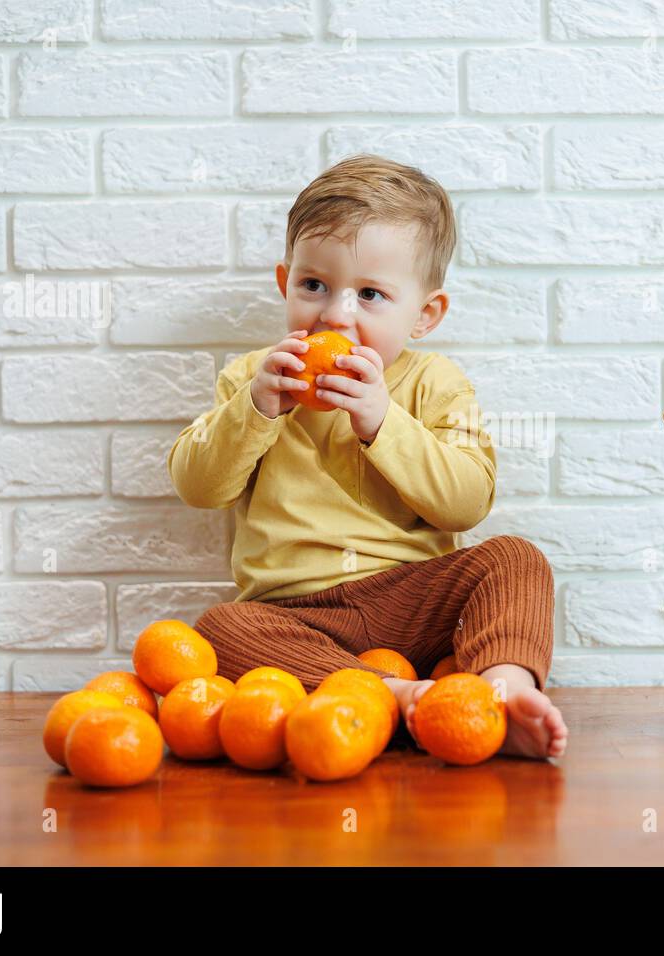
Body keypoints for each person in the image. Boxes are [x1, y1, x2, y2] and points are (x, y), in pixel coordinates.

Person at [168, 154, 567, 759]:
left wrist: (384, 420)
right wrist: (255, 410)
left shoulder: (436, 382)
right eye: (313, 286)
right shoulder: (252, 378)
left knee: (515, 558)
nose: (335, 315)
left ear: (425, 314)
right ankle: (397, 697)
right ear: (286, 283)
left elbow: (466, 502)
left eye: (371, 295)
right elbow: (197, 486)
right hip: (295, 612)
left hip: (413, 595)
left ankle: (500, 695)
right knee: (222, 630)